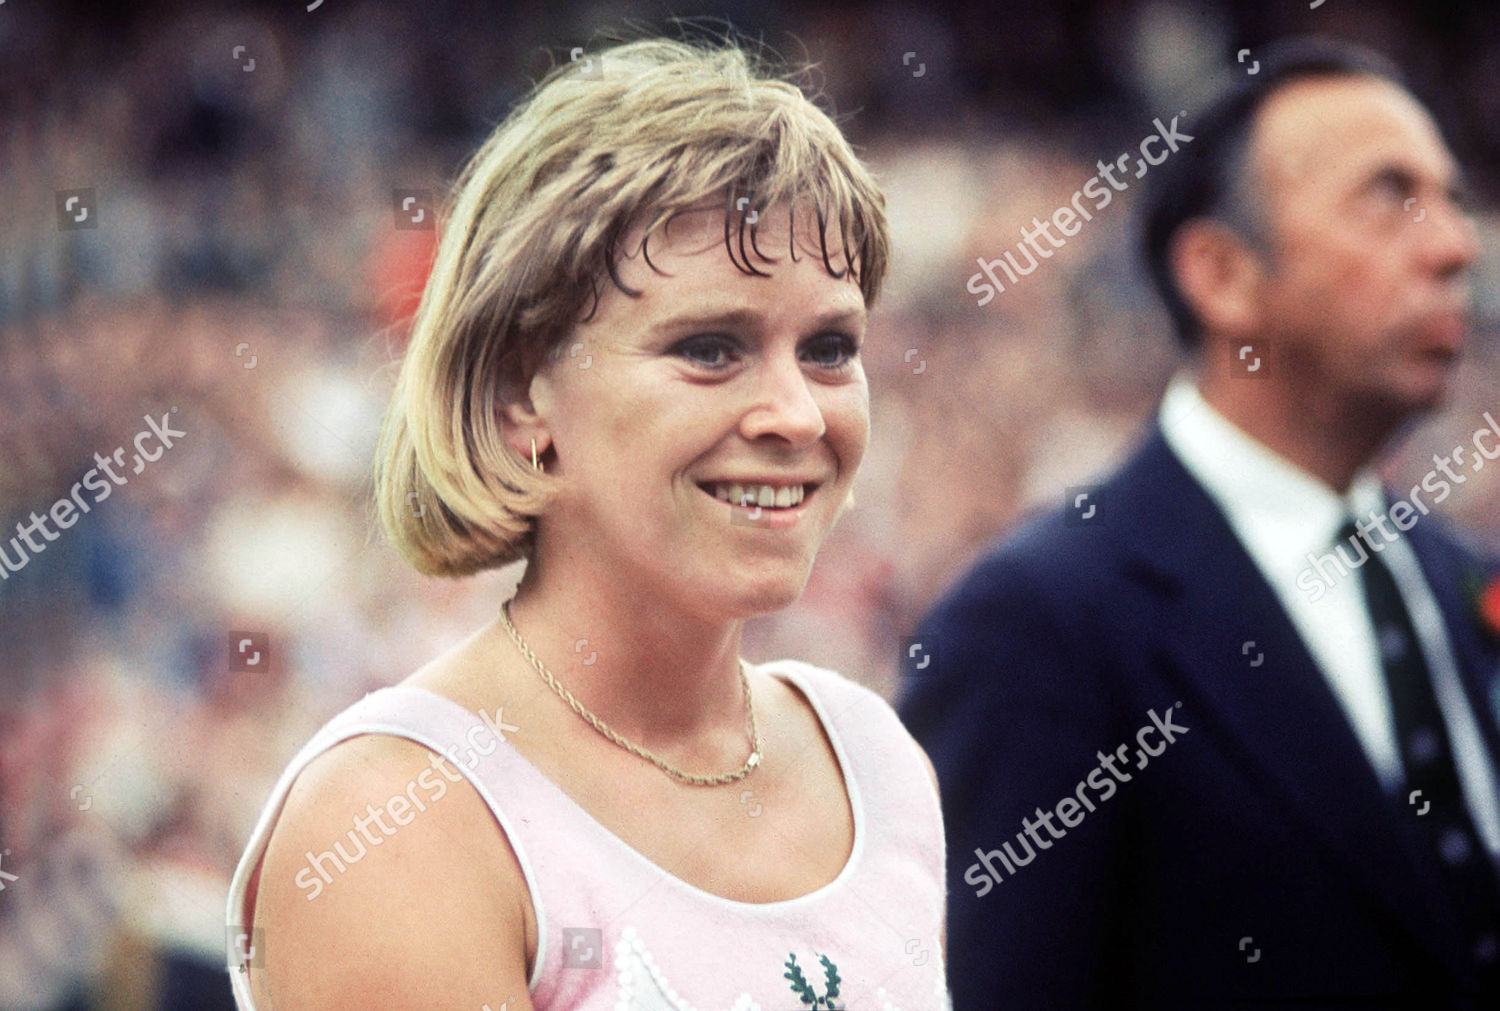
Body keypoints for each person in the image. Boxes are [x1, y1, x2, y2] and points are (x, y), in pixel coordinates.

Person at [224, 35, 948, 1011]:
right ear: (520, 395)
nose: (798, 415)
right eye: (710, 348)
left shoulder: (875, 760)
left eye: (828, 348)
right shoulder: (392, 821)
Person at [900, 37, 1500, 1007]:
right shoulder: (1038, 624)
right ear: (1221, 274)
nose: (1454, 248)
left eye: (1454, 200)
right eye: (1389, 197)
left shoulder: (1459, 578)